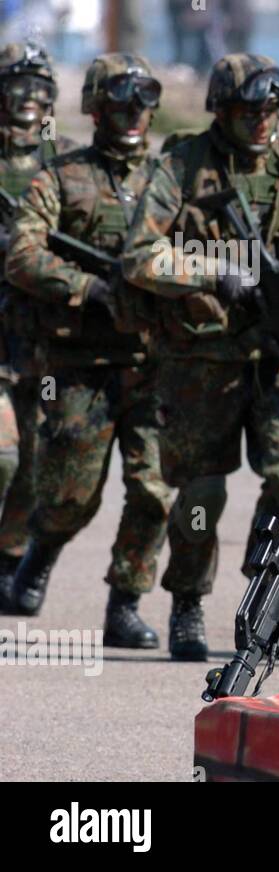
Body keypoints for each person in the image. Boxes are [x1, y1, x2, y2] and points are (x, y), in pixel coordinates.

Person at [120, 53, 279, 660]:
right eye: (250, 110)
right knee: (201, 495)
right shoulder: (181, 164)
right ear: (222, 109)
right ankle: (188, 602)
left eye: (272, 109)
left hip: (276, 357)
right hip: (202, 360)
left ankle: (263, 597)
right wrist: (213, 272)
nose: (262, 121)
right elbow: (140, 255)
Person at [0, 54, 171, 650]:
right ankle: (40, 550)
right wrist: (89, 288)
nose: (132, 113)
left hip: (153, 363)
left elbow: (206, 245)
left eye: (142, 102)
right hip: (80, 366)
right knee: (70, 495)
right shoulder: (62, 176)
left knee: (155, 490)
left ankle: (125, 603)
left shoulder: (167, 178)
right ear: (95, 107)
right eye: (119, 102)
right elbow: (23, 255)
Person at [0, 42, 76, 604]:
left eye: (39, 87)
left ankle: (8, 556)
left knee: (39, 461)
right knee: (4, 457)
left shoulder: (67, 160)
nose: (28, 99)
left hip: (49, 341)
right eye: (15, 84)